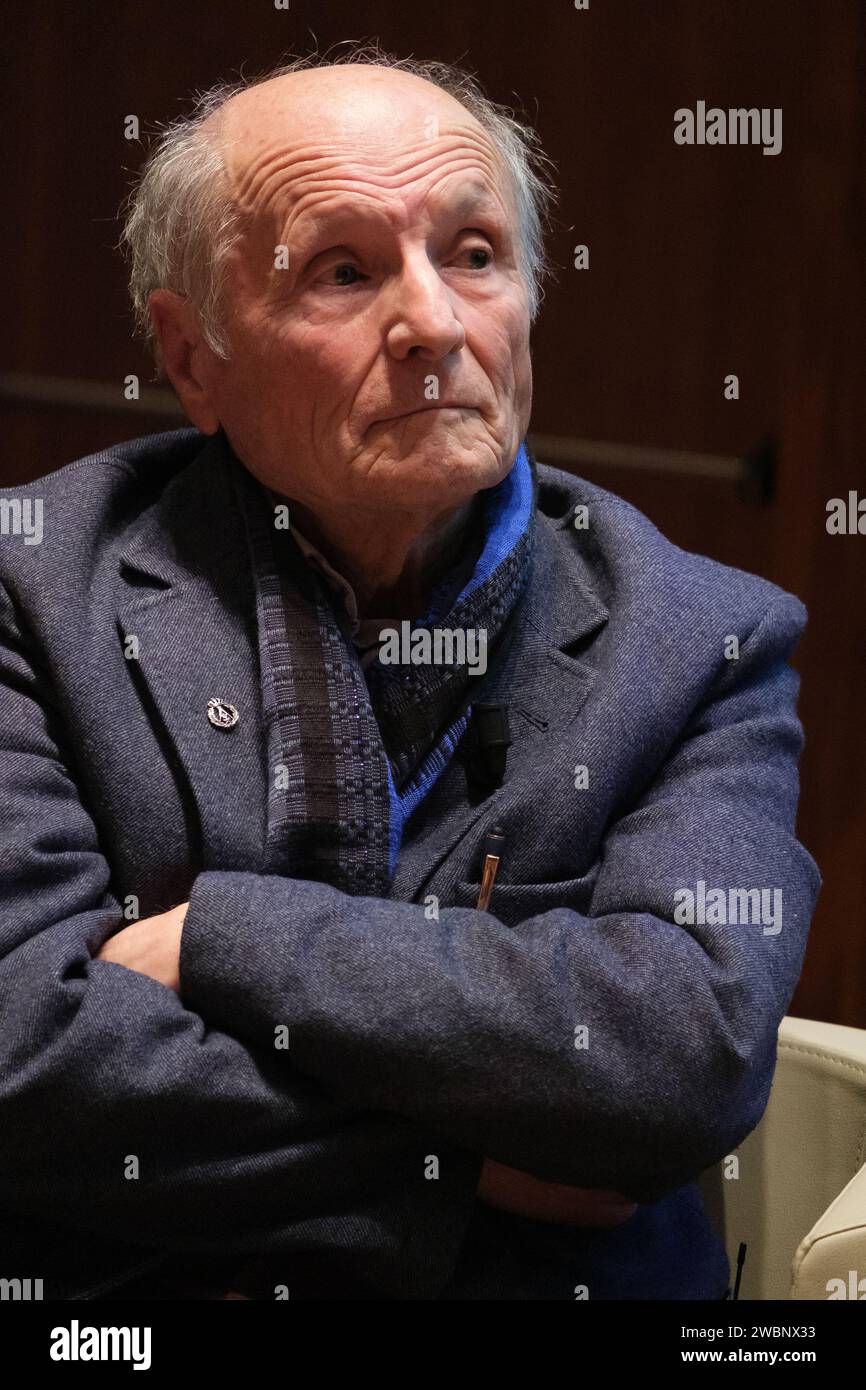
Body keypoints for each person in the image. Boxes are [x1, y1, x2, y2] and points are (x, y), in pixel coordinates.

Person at [0, 45, 820, 1300]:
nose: (434, 322)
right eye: (342, 269)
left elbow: (680, 1061)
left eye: (474, 254)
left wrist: (230, 937)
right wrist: (477, 1153)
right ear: (191, 359)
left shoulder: (706, 637)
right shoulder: (34, 585)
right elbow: (25, 1059)